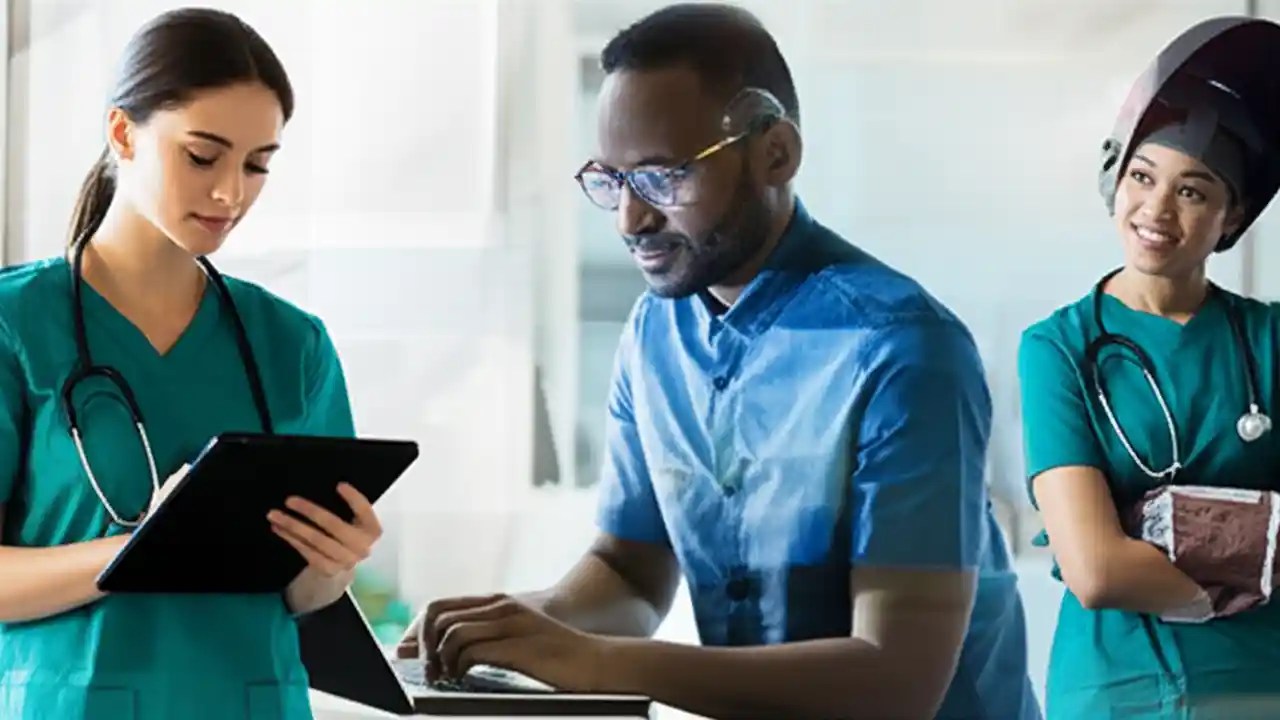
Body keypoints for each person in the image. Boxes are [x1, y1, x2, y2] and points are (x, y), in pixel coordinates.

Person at [399, 5, 1041, 719]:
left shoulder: (903, 349)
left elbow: (896, 682)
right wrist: (519, 623)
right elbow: (629, 573)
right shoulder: (654, 332)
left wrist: (586, 662)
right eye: (611, 181)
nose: (630, 220)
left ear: (776, 154)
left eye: (663, 179)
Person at [0, 9, 384, 720]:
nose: (231, 193)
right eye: (202, 157)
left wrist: (332, 563)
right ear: (123, 134)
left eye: (258, 163)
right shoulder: (15, 325)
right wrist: (147, 547)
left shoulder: (292, 344)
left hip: (252, 701)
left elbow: (302, 595)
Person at [1018, 16, 1280, 719]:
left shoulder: (1270, 338)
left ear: (1232, 217)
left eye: (1193, 190)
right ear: (1115, 177)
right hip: (1114, 691)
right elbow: (1096, 570)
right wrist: (1248, 555)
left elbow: (1113, 555)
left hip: (1258, 689)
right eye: (1142, 176)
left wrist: (1152, 537)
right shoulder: (1058, 347)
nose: (1157, 209)